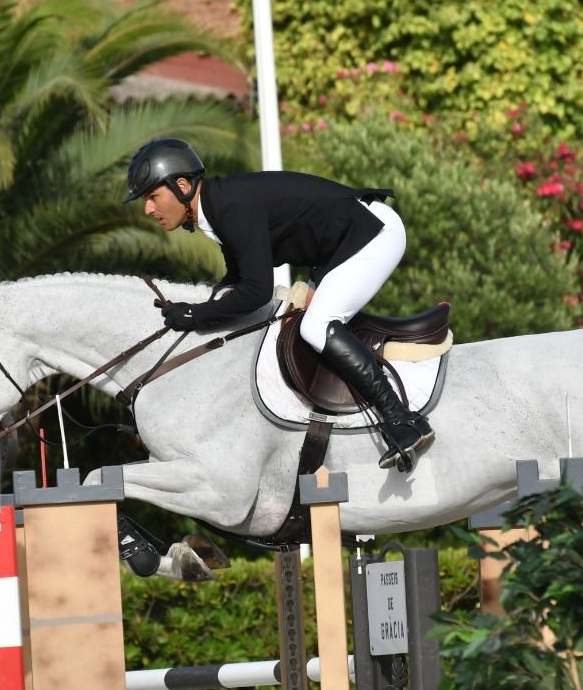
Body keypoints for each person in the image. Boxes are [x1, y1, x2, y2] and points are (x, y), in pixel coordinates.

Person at [124, 138, 434, 471]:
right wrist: (199, 307)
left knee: (316, 326)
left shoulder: (229, 207)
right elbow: (238, 279)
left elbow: (257, 291)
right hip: (339, 250)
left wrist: (194, 314)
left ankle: (403, 421)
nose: (148, 209)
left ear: (182, 185)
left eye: (153, 196)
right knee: (300, 327)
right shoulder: (217, 206)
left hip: (373, 234)